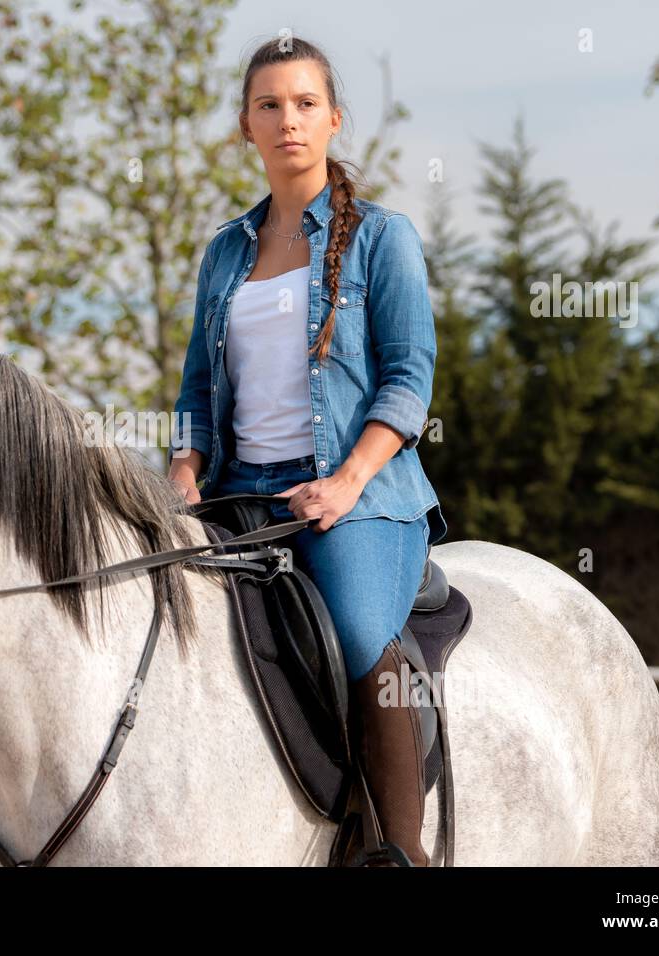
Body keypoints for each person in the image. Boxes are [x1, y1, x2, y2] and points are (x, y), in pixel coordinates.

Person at [166, 36, 448, 867]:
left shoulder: (382, 238)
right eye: (268, 106)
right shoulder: (225, 252)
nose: (286, 120)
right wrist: (182, 473)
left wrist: (346, 483)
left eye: (302, 104)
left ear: (331, 120)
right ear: (245, 128)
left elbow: (409, 378)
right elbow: (197, 395)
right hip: (238, 493)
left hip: (360, 496)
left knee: (360, 635)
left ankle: (399, 849)